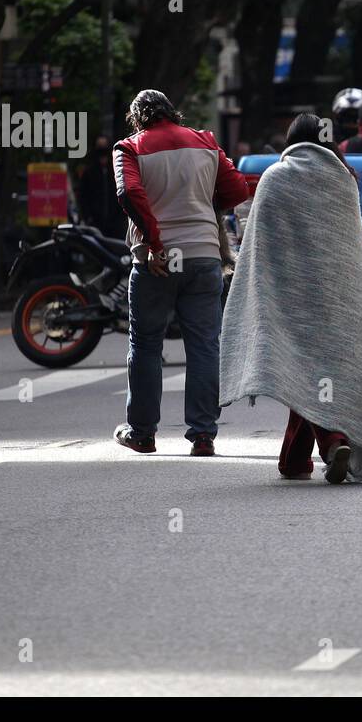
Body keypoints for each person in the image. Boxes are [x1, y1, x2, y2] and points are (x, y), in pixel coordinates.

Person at [219, 113, 362, 484]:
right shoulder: (343, 179)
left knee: (306, 369)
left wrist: (255, 288)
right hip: (340, 295)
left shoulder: (276, 178)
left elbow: (259, 244)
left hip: (292, 296)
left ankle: (333, 442)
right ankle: (295, 460)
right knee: (314, 372)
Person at [111, 90, 250, 457]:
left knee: (145, 344)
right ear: (173, 112)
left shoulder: (129, 148)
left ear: (137, 118)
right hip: (204, 254)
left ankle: (142, 433)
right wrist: (205, 206)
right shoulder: (205, 142)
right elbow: (236, 188)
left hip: (157, 260)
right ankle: (203, 434)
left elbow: (129, 194)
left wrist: (154, 241)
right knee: (204, 345)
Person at [77, 136, 125, 239]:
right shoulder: (89, 172)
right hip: (95, 224)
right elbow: (82, 196)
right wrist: (88, 217)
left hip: (115, 225)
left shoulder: (116, 170)